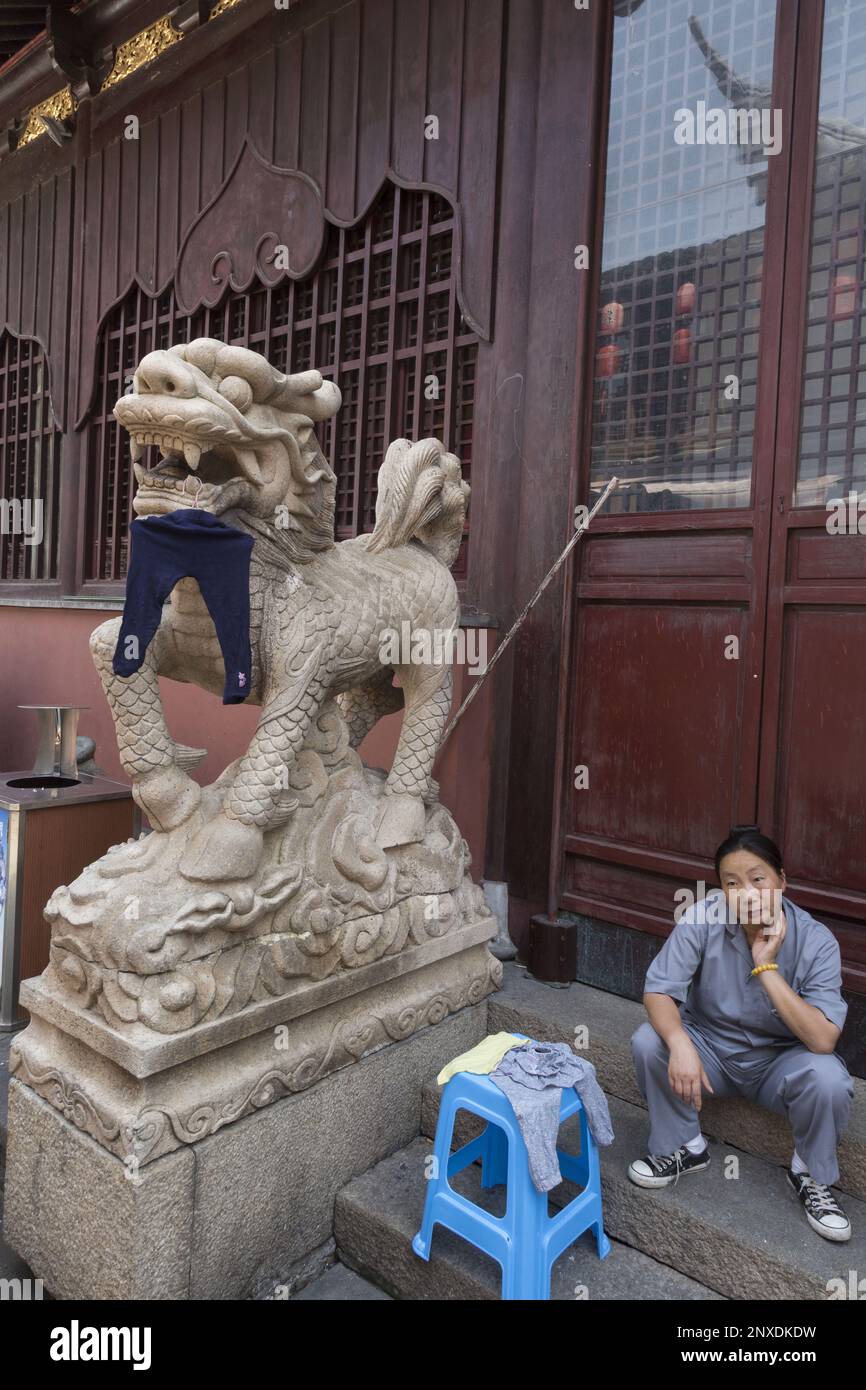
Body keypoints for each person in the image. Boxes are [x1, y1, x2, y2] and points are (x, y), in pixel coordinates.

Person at [628, 826, 854, 1242]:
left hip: (779, 1064)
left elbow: (823, 1040)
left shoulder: (817, 942)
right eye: (731, 883)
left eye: (757, 879)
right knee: (649, 1040)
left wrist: (766, 966)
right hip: (710, 1052)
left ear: (782, 881)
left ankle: (810, 1174)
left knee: (829, 1078)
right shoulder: (702, 918)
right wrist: (679, 1043)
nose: (745, 892)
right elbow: (659, 990)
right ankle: (686, 1146)